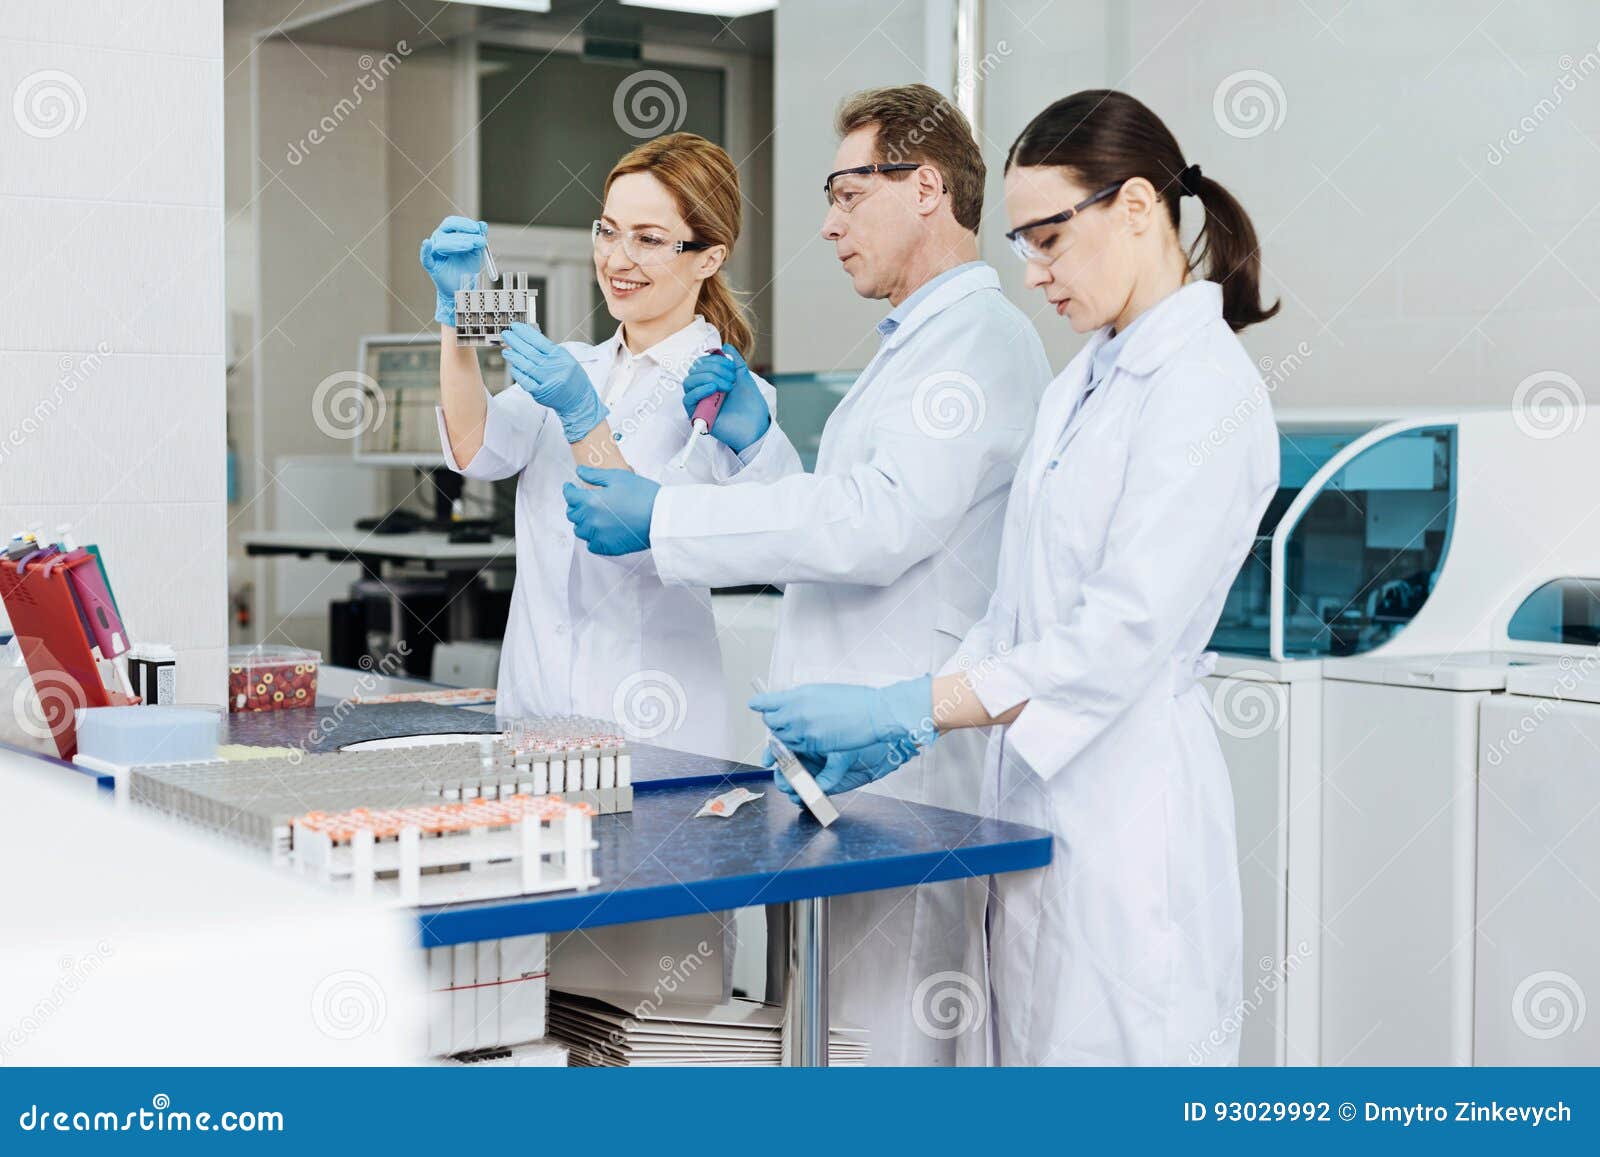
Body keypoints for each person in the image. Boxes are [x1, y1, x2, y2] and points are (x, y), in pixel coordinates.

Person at [749, 90, 1283, 1066]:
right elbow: (1016, 604)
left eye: (1047, 238)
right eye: (1019, 242)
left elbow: (1118, 636)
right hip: (1032, 805)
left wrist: (919, 703)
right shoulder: (1079, 380)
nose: (1030, 272)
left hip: (1128, 818)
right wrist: (898, 720)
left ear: (1133, 208)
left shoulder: (1206, 390)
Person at [563, 85, 1051, 1065]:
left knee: (890, 1039)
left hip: (911, 763)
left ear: (922, 187)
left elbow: (876, 526)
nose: (828, 225)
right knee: (833, 1032)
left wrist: (668, 515)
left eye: (843, 193)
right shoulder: (916, 344)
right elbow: (846, 520)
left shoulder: (977, 341)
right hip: (854, 763)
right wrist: (763, 444)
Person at [421, 132, 800, 758]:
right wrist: (457, 318)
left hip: (654, 732)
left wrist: (580, 416)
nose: (618, 259)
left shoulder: (727, 396)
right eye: (607, 230)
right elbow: (475, 448)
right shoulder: (576, 365)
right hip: (534, 714)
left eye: (649, 239)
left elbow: (648, 537)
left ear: (709, 257)